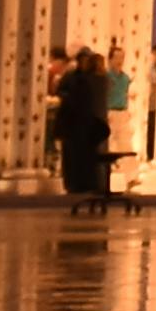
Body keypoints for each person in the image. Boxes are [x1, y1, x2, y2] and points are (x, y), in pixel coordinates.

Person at [54, 48, 114, 202]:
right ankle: (80, 184)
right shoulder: (78, 77)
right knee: (75, 156)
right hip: (79, 123)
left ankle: (84, 184)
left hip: (85, 123)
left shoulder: (89, 79)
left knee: (83, 156)